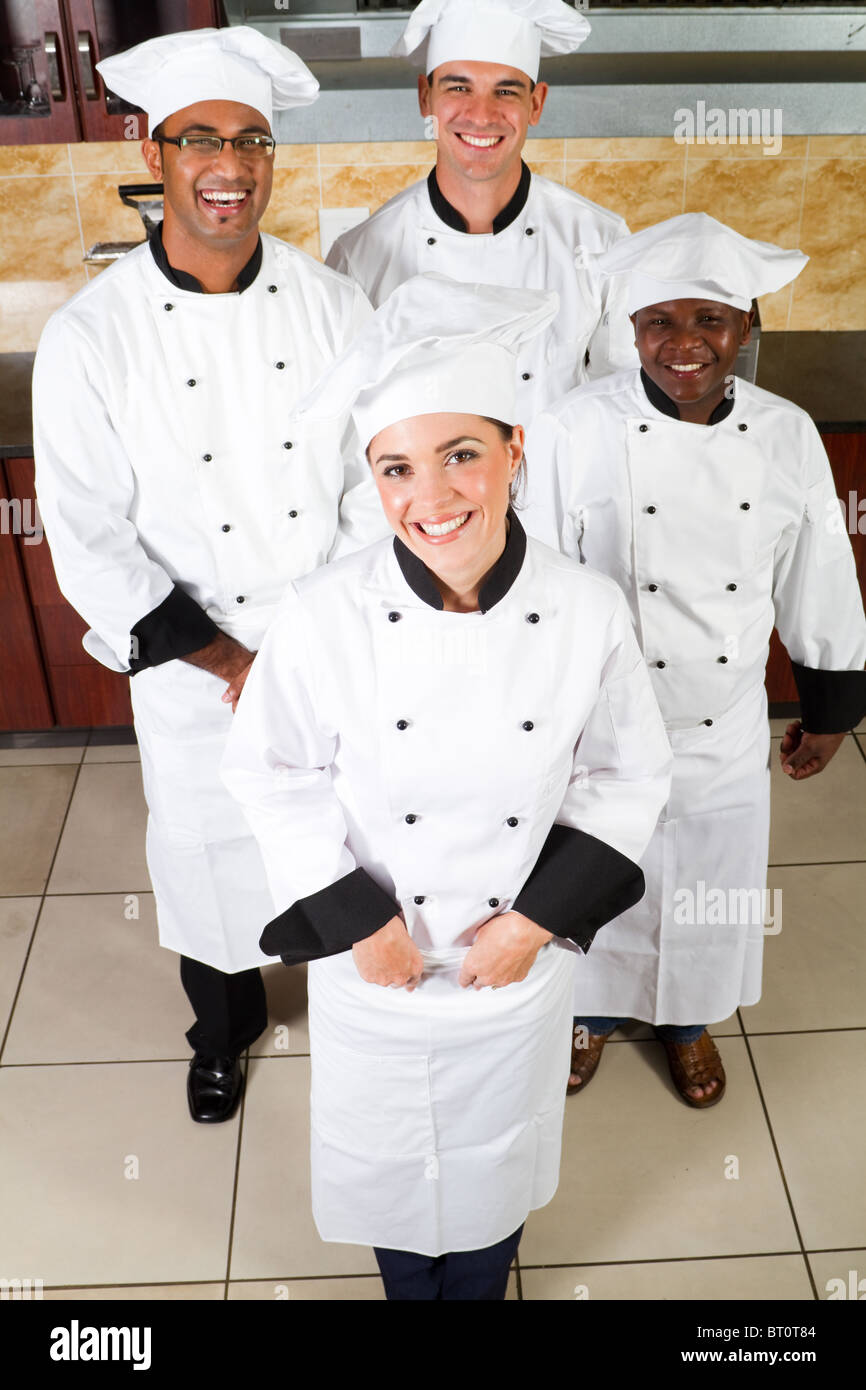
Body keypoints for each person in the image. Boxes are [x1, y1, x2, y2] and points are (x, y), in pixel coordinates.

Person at [221, 275, 673, 1300]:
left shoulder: (584, 609)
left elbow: (627, 773)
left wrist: (531, 925)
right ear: (371, 482)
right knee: (388, 1170)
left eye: (460, 454)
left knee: (487, 1164)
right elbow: (268, 770)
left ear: (516, 450)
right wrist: (353, 919)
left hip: (511, 961)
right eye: (395, 468)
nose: (431, 499)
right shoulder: (323, 613)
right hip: (367, 959)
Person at [32, 27, 371, 1124]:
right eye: (201, 141)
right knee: (207, 854)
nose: (228, 164)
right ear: (154, 149)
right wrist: (229, 658)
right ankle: (220, 1033)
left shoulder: (333, 307)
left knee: (341, 833)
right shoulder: (95, 335)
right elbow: (89, 538)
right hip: (194, 662)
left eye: (250, 141)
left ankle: (357, 1007)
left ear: (270, 160)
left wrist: (322, 638)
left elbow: (375, 484)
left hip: (324, 643)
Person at [523, 213, 866, 1107]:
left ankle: (688, 1020)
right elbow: (535, 587)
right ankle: (589, 1016)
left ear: (746, 327)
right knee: (595, 870)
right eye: (659, 322)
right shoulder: (569, 429)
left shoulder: (787, 433)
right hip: (598, 725)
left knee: (710, 883)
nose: (685, 344)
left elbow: (819, 570)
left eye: (709, 319)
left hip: (722, 722)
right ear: (630, 330)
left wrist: (831, 710)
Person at [326, 0, 637, 425]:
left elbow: (621, 402)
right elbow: (350, 428)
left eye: (506, 91)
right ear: (425, 98)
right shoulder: (361, 258)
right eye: (459, 88)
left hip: (559, 490)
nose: (481, 115)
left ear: (537, 104)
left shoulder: (602, 242)